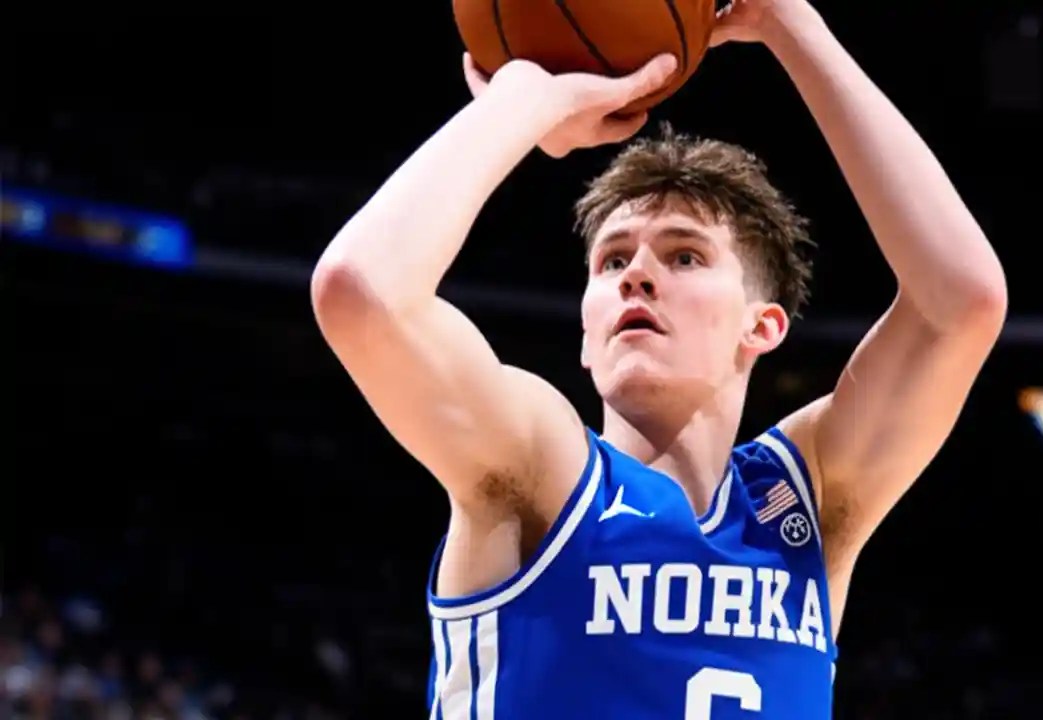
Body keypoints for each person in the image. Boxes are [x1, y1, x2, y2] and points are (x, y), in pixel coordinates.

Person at [310, 0, 1007, 717]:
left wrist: (793, 26)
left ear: (761, 326)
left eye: (684, 254)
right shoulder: (540, 472)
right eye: (612, 261)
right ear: (586, 334)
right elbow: (362, 293)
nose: (637, 274)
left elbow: (962, 305)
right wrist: (525, 99)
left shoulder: (809, 502)